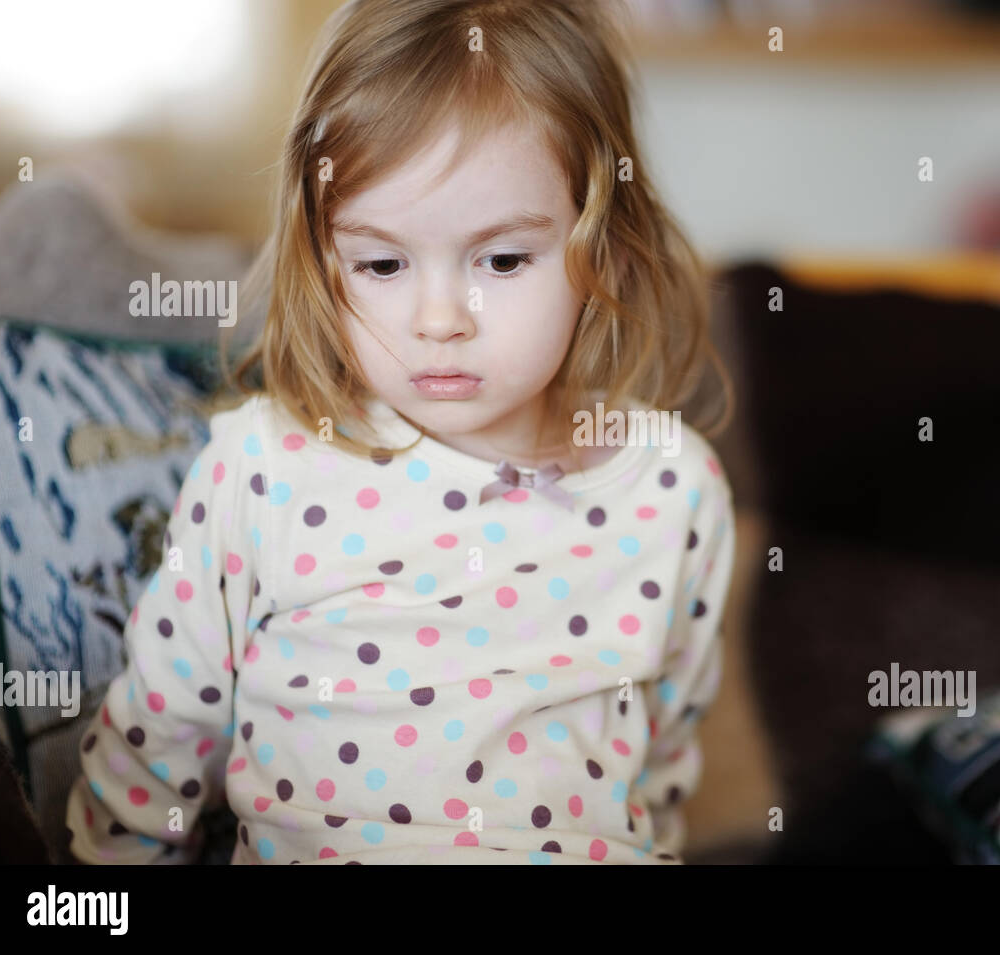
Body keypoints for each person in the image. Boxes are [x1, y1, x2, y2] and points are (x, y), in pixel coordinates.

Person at [65, 0, 736, 864]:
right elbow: (157, 742)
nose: (438, 318)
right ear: (323, 261)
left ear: (602, 249)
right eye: (382, 263)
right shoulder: (264, 466)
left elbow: (661, 760)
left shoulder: (673, 485)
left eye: (501, 259)